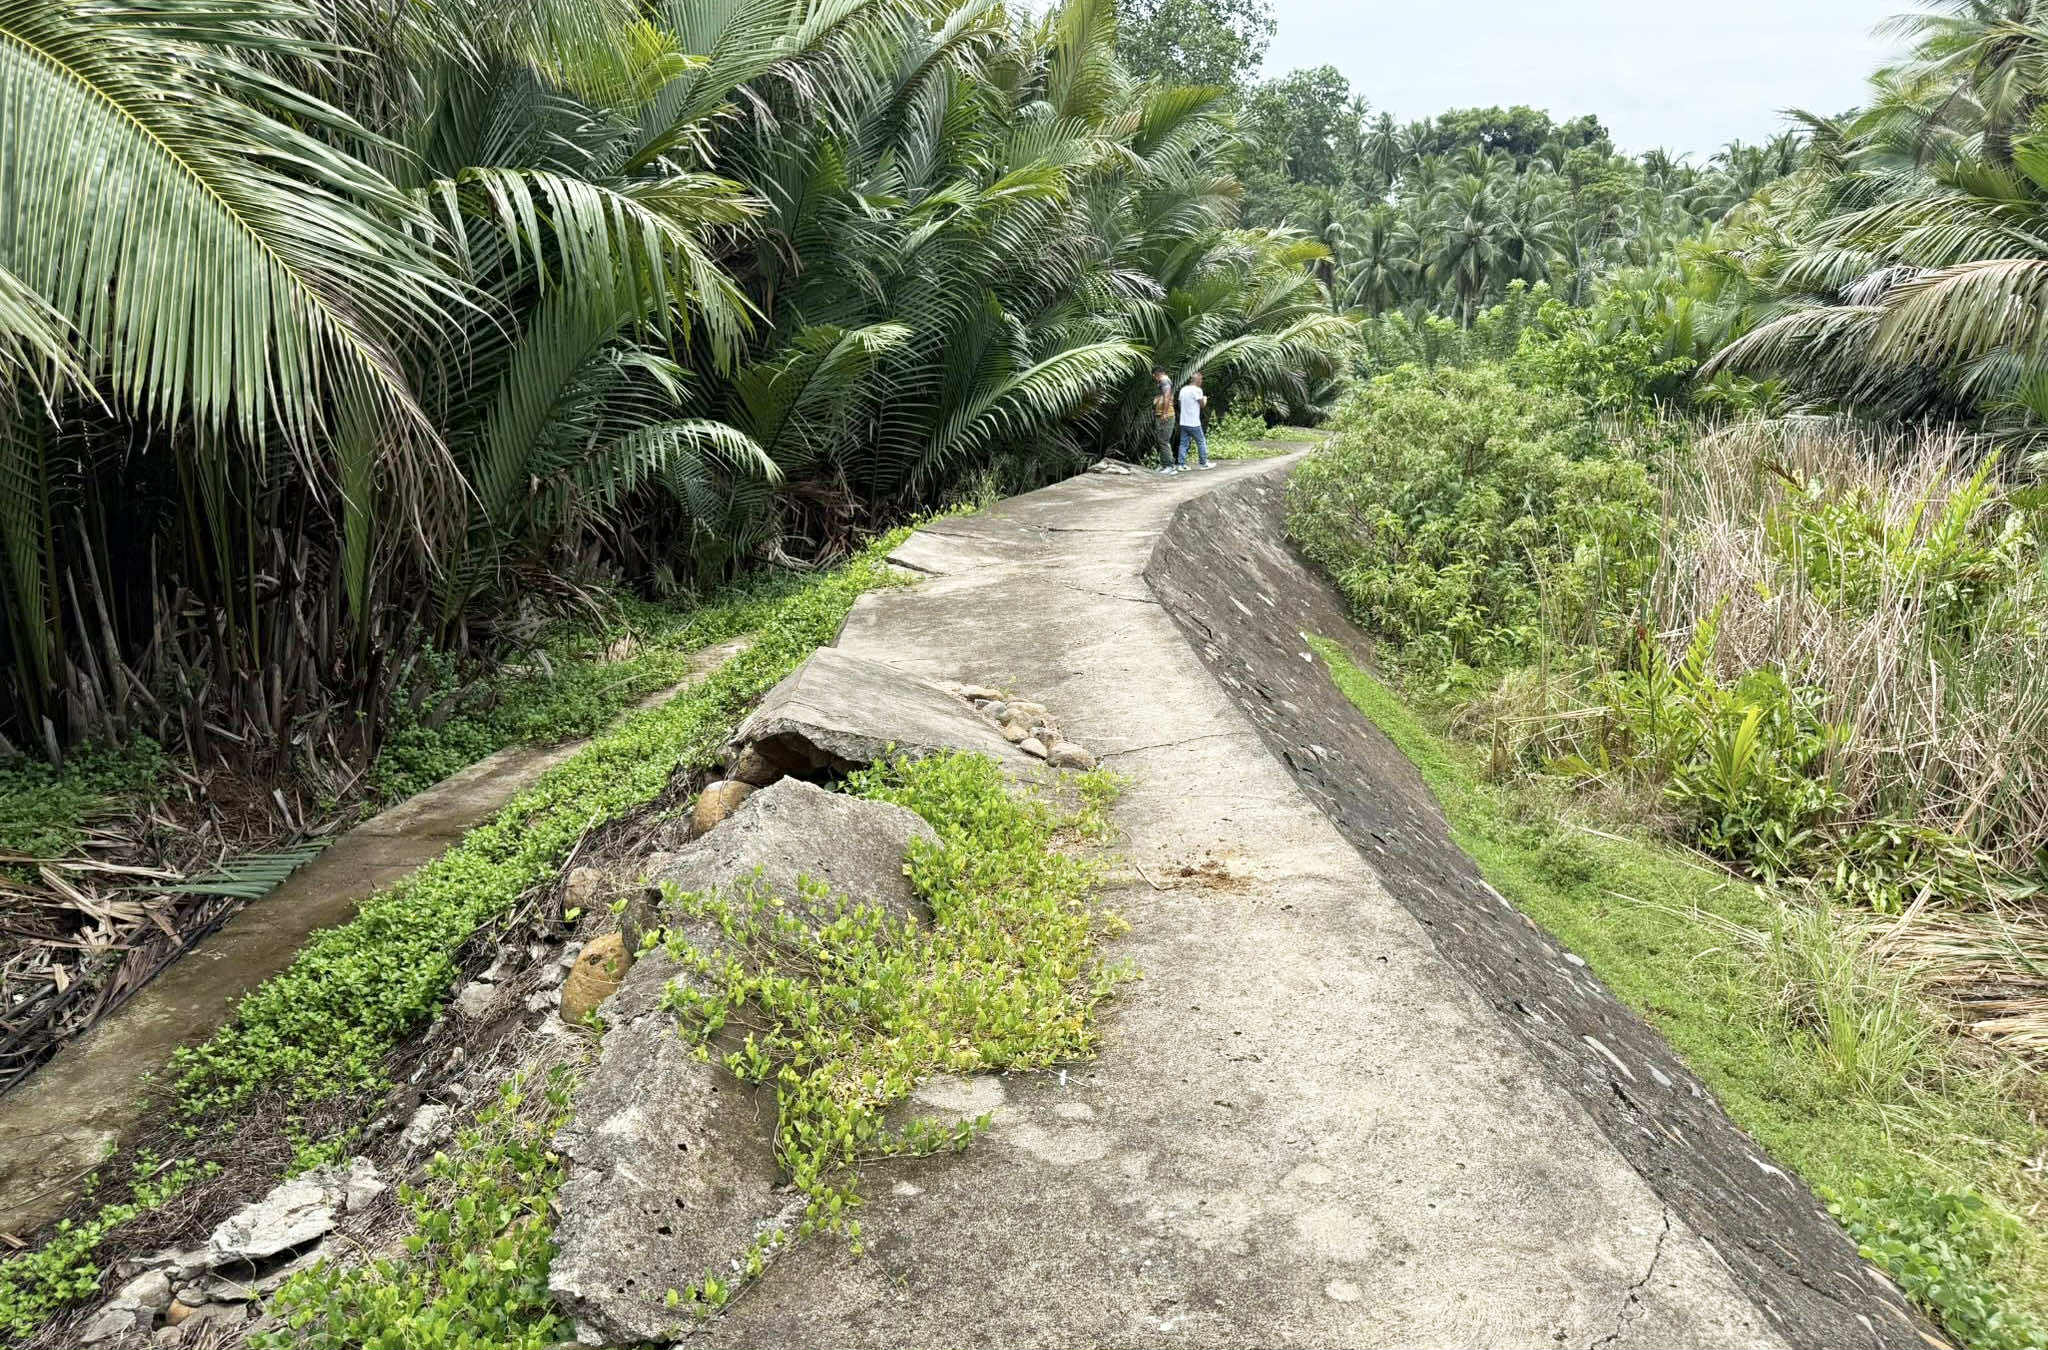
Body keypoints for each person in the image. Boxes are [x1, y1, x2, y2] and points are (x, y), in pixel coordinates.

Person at [1176, 370, 1209, 469]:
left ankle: (1181, 465)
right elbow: (1202, 405)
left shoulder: (1183, 389)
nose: (1201, 381)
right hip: (1194, 423)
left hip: (1184, 422)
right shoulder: (1197, 390)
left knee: (1183, 443)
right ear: (1197, 380)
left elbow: (1180, 405)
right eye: (1201, 379)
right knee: (1201, 441)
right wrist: (1205, 399)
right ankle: (1203, 463)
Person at [1150, 367, 1176, 472]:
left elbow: (1166, 396)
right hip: (1161, 414)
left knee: (1164, 441)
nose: (1155, 379)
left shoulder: (1164, 381)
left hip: (1166, 415)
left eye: (1154, 377)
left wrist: (1164, 413)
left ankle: (1170, 466)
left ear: (1156, 374)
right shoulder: (1163, 382)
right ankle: (1164, 464)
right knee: (1161, 441)